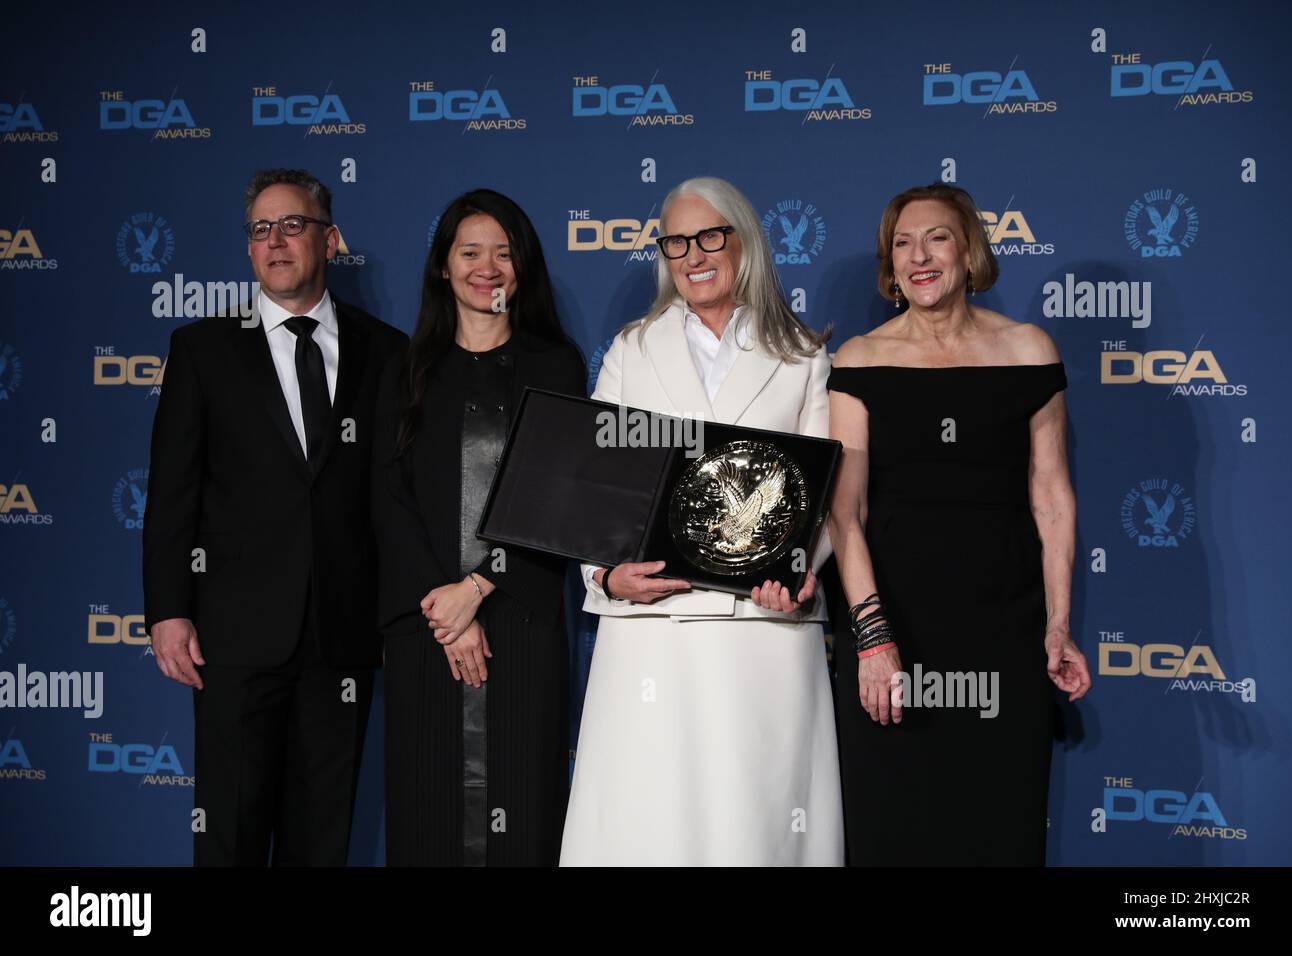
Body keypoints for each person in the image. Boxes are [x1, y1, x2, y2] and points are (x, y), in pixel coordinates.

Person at [560, 176, 843, 866]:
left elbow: (829, 498)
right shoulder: (632, 350)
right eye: (677, 241)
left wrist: (801, 573)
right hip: (653, 635)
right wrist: (605, 575)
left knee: (760, 827)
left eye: (710, 235)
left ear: (743, 243)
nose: (693, 255)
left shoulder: (805, 355)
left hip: (765, 632)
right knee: (648, 827)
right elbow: (596, 489)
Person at [143, 168, 407, 865]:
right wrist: (168, 610)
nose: (275, 241)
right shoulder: (203, 349)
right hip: (232, 641)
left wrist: (391, 615)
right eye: (261, 229)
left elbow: (393, 498)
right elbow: (173, 490)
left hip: (342, 639)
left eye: (292, 224)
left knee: (321, 841)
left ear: (330, 238)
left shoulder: (387, 352)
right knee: (227, 834)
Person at [826, 182, 1092, 866]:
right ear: (889, 265)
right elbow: (844, 513)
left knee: (999, 829)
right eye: (902, 244)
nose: (919, 256)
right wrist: (874, 638)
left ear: (968, 249)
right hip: (896, 637)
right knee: (894, 830)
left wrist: (1057, 627)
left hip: (1004, 633)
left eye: (936, 237)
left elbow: (1053, 498)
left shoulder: (1030, 351)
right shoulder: (859, 361)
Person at [371, 189, 585, 866]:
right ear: (442, 266)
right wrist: (447, 610)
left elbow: (560, 497)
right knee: (428, 810)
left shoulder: (557, 366)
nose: (486, 266)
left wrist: (479, 589)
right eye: (469, 251)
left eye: (503, 251)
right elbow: (386, 501)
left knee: (522, 809)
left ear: (523, 267)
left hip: (520, 624)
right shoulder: (403, 370)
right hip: (426, 630)